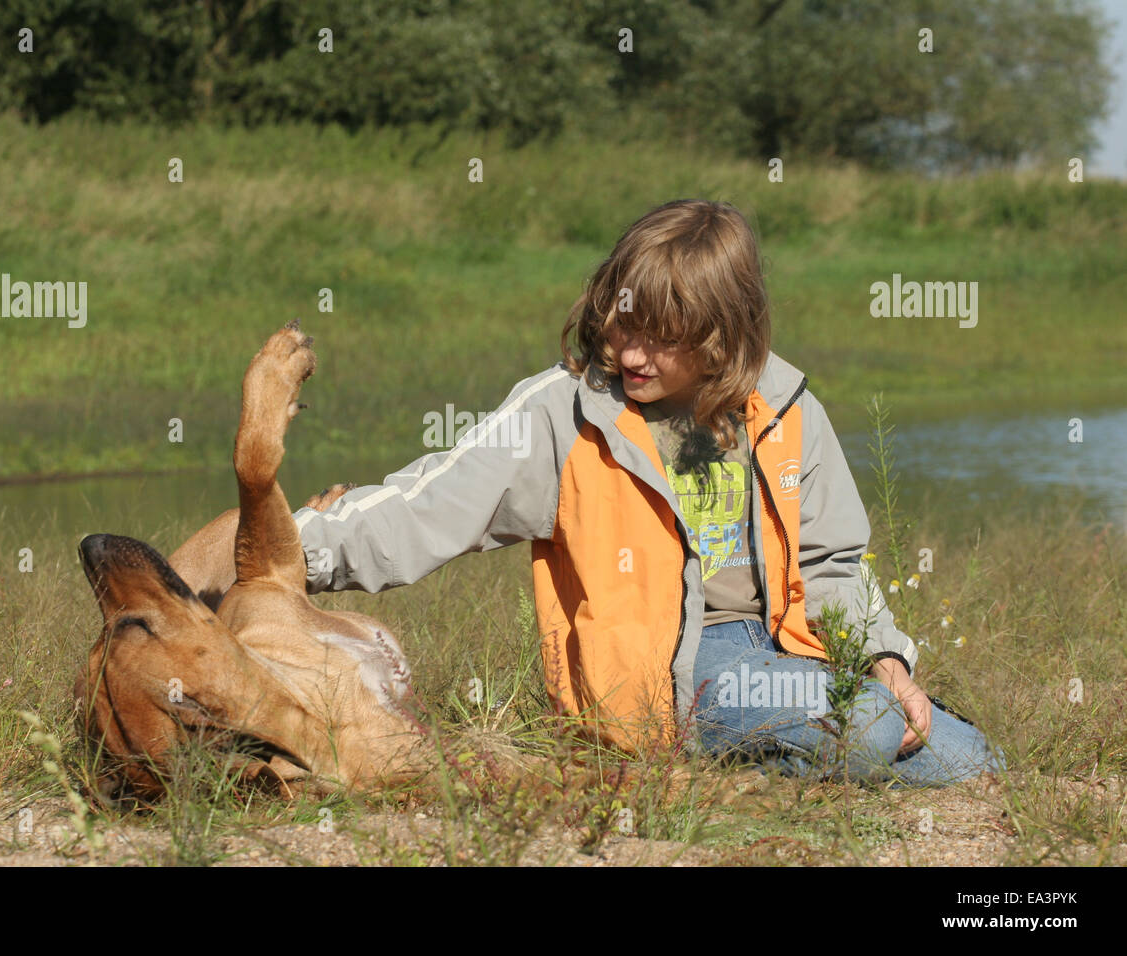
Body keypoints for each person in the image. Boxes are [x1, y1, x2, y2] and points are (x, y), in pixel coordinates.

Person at [294, 198, 1003, 786]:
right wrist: (282, 552)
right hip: (672, 675)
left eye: (663, 337)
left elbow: (832, 567)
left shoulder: (785, 408)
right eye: (623, 320)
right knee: (871, 727)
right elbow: (424, 508)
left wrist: (886, 663)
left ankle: (760, 768)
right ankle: (744, 764)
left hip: (791, 661)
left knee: (969, 760)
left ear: (725, 336)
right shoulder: (562, 415)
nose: (630, 353)